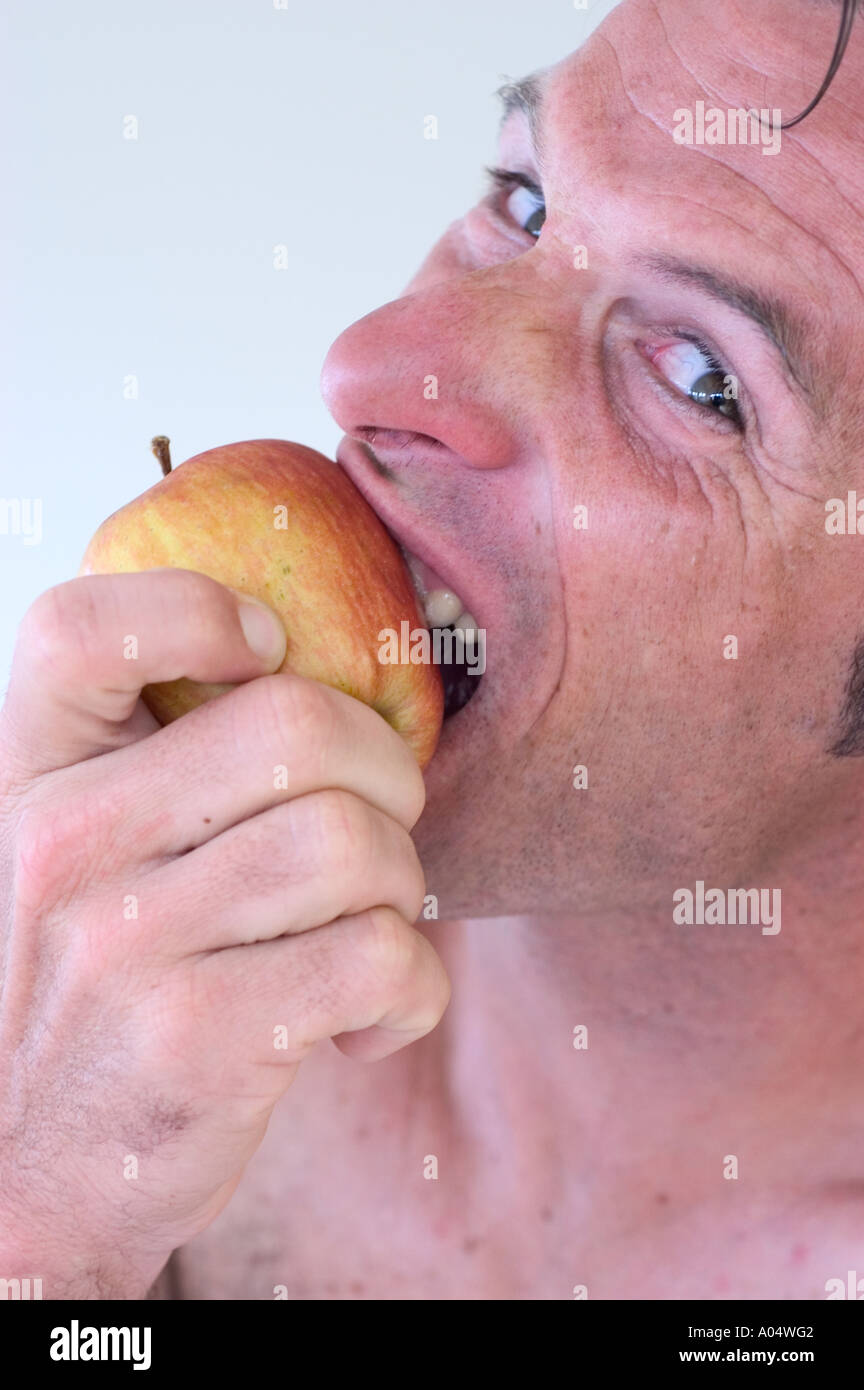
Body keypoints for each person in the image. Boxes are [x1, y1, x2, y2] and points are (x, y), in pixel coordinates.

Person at [2, 0, 863, 1300]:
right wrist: (42, 1219)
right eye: (521, 200)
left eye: (699, 377)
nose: (370, 369)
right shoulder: (58, 1004)